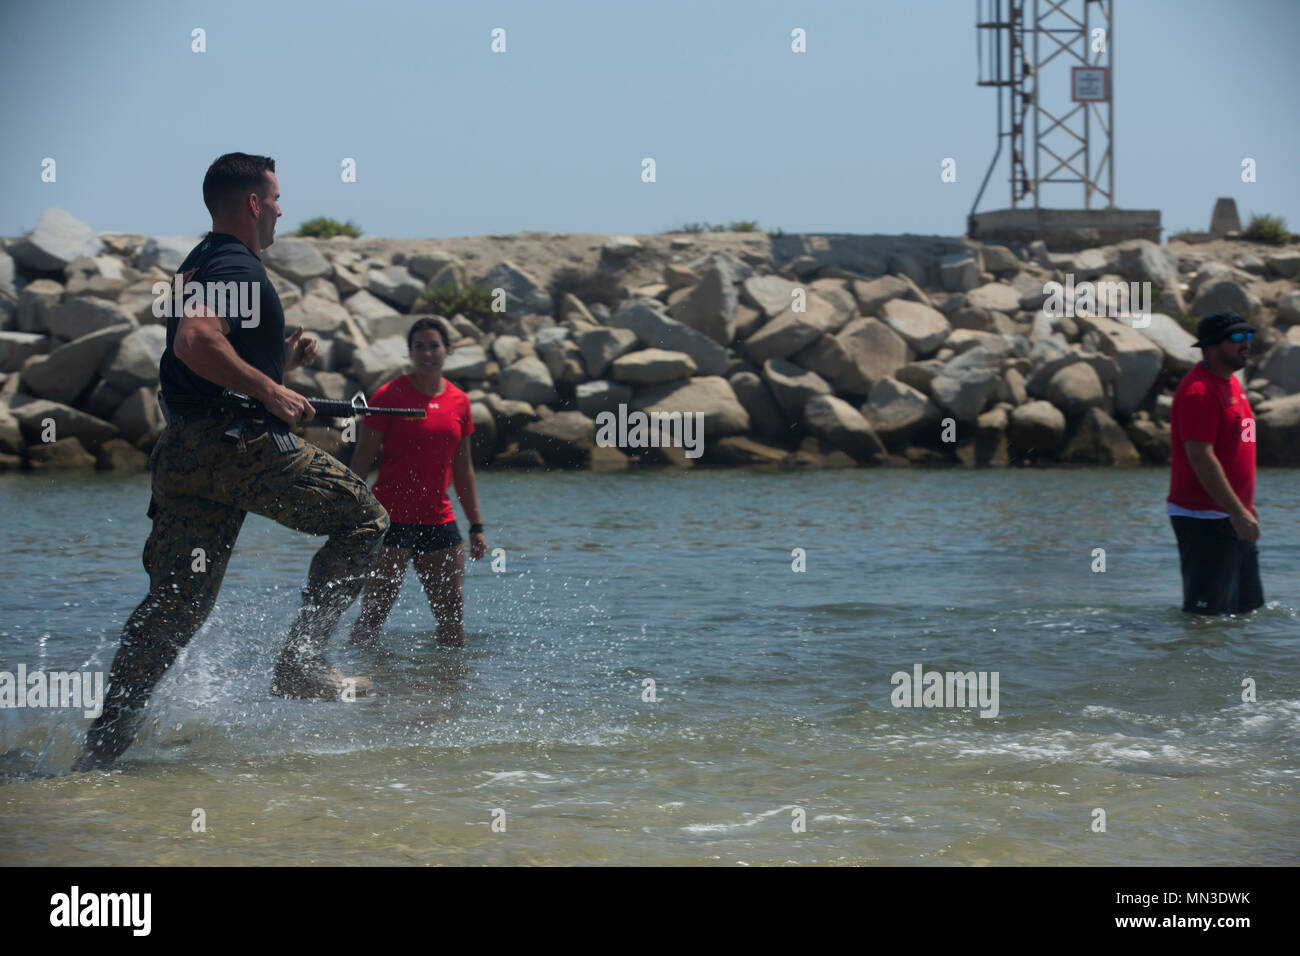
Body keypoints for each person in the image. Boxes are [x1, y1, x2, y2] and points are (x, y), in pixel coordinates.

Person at [74, 153, 389, 771]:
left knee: (175, 606)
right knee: (365, 522)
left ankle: (101, 750)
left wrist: (279, 364)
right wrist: (270, 391)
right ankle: (301, 662)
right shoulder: (235, 262)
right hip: (236, 445)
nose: (279, 208)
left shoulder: (200, 261)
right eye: (274, 198)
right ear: (251, 202)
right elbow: (195, 341)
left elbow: (207, 359)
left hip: (186, 454)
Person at [348, 317, 487, 647]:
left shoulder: (459, 401)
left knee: (451, 614)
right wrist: (351, 516)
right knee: (374, 613)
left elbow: (464, 468)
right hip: (389, 520)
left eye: (434, 346)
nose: (427, 353)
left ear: (447, 351)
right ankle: (357, 686)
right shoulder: (388, 395)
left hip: (438, 519)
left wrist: (476, 525)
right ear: (410, 352)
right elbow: (362, 460)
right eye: (419, 347)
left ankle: (452, 691)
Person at [1166, 310, 1263, 616]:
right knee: (1205, 617)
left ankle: (1240, 665)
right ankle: (1188, 663)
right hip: (1204, 517)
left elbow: (1244, 440)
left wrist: (1246, 502)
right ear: (1211, 347)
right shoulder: (1199, 392)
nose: (1245, 343)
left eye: (1247, 336)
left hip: (1234, 513)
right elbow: (1201, 456)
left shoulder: (1234, 385)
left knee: (1248, 610)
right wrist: (1237, 510)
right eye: (1236, 338)